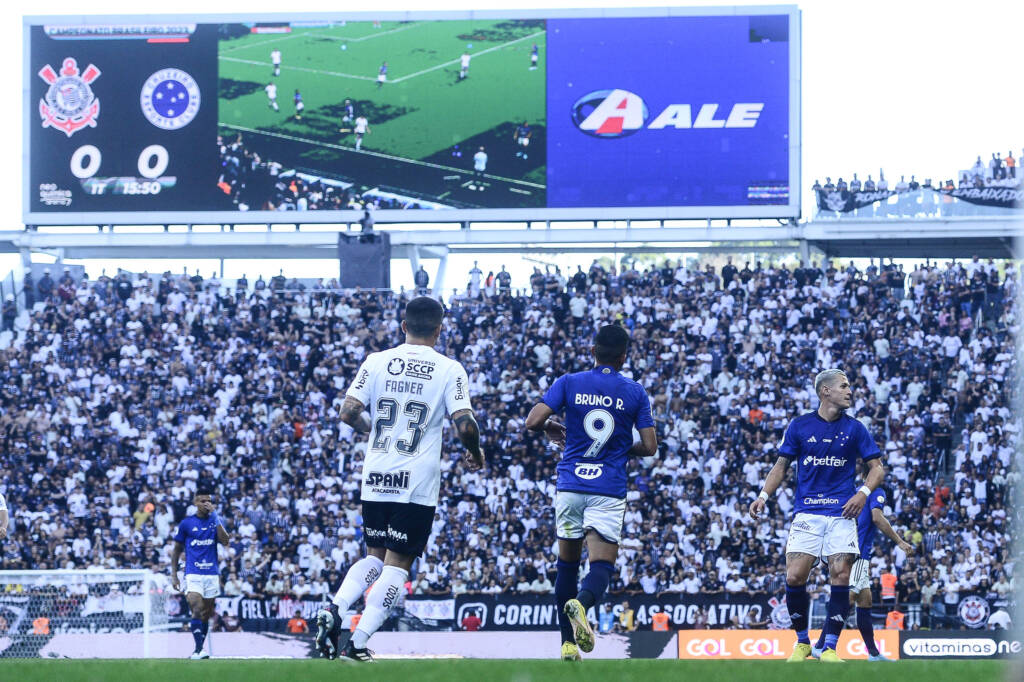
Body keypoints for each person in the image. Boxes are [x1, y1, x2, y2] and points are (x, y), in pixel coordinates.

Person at [314, 297, 484, 662]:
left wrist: (372, 429)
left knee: (374, 556)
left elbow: (348, 412)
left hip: (376, 474)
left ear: (403, 326)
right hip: (415, 482)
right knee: (397, 566)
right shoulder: (449, 368)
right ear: (439, 330)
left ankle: (335, 607)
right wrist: (476, 451)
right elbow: (465, 424)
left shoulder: (376, 361)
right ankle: (357, 643)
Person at [525, 324, 657, 661]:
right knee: (601, 565)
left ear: (592, 351)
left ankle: (567, 644)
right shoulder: (635, 392)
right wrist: (619, 446)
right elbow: (649, 446)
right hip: (607, 488)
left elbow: (532, 421)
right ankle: (581, 605)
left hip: (570, 484)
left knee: (567, 565)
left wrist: (551, 426)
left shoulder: (569, 382)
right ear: (624, 357)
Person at [748, 368, 885, 663]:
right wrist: (763, 496)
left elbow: (877, 468)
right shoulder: (800, 426)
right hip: (807, 512)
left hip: (841, 513)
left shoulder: (856, 428)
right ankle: (802, 643)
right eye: (844, 386)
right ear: (826, 391)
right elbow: (781, 466)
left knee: (841, 575)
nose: (850, 391)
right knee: (795, 575)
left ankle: (830, 648)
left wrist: (862, 493)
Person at [812, 482, 912, 661]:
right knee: (846, 601)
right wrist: (900, 542)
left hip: (848, 552)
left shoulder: (855, 490)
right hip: (858, 556)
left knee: (864, 603)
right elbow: (877, 518)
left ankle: (873, 653)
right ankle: (821, 646)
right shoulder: (876, 491)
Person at [170, 488, 230, 659]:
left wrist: (216, 516)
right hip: (193, 573)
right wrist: (174, 575)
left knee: (205, 614)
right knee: (196, 608)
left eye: (209, 501)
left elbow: (225, 541)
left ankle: (199, 650)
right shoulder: (186, 524)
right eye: (203, 501)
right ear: (195, 503)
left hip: (212, 573)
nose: (206, 504)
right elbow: (176, 550)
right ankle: (198, 649)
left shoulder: (214, 521)